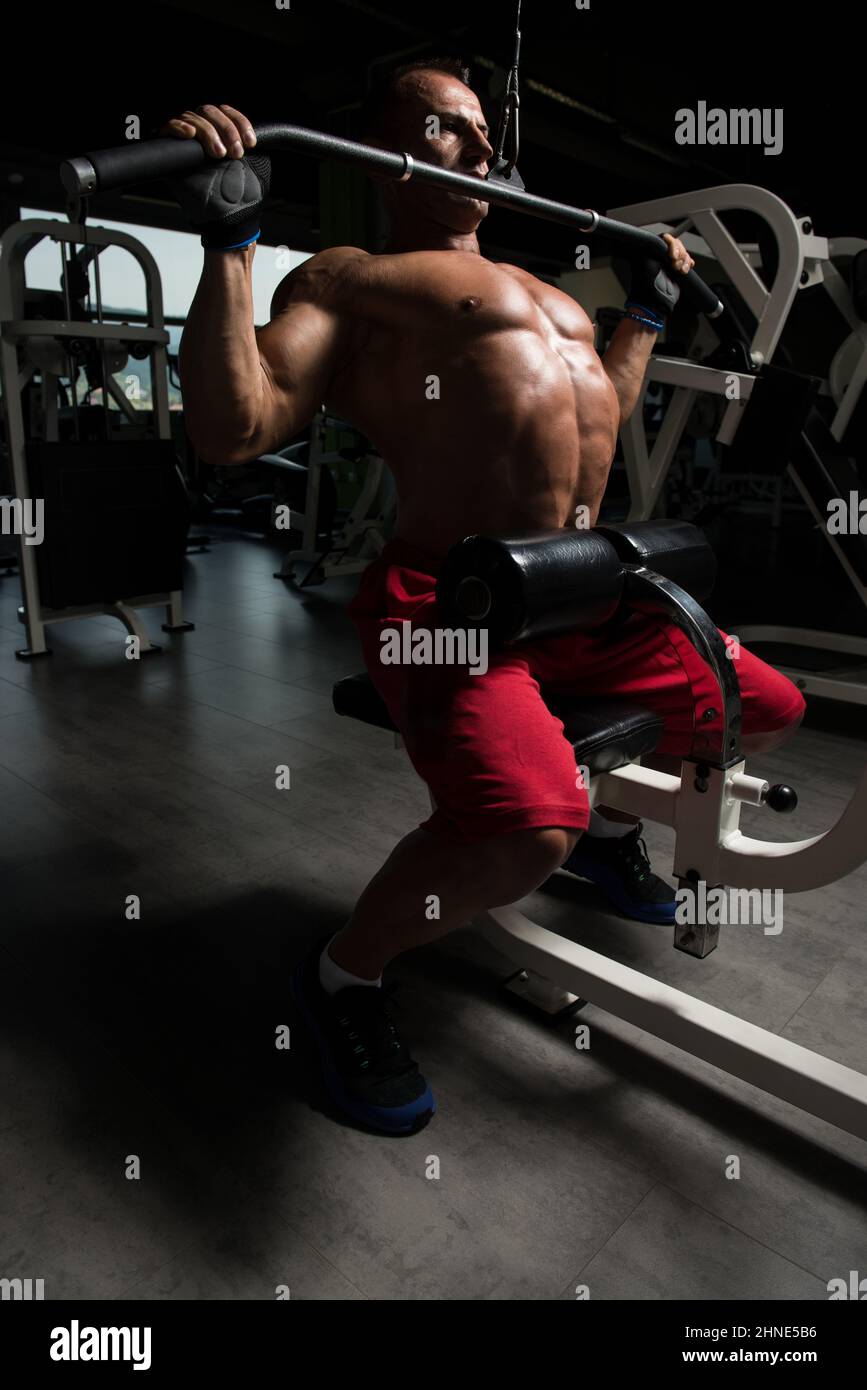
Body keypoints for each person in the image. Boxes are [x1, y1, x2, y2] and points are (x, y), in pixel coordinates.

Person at [170, 60, 805, 1135]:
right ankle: (342, 979)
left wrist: (642, 319)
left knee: (762, 708)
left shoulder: (551, 294)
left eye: (480, 130)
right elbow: (235, 428)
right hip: (452, 599)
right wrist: (228, 248)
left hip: (584, 585)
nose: (478, 149)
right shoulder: (350, 278)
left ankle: (607, 834)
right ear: (387, 150)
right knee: (521, 831)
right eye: (444, 129)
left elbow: (592, 430)